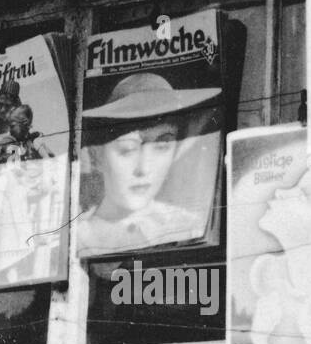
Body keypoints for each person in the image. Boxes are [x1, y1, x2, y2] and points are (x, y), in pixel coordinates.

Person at [79, 72, 219, 255]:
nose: (143, 168)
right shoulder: (76, 239)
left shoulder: (189, 226)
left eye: (162, 146)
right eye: (127, 149)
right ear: (96, 156)